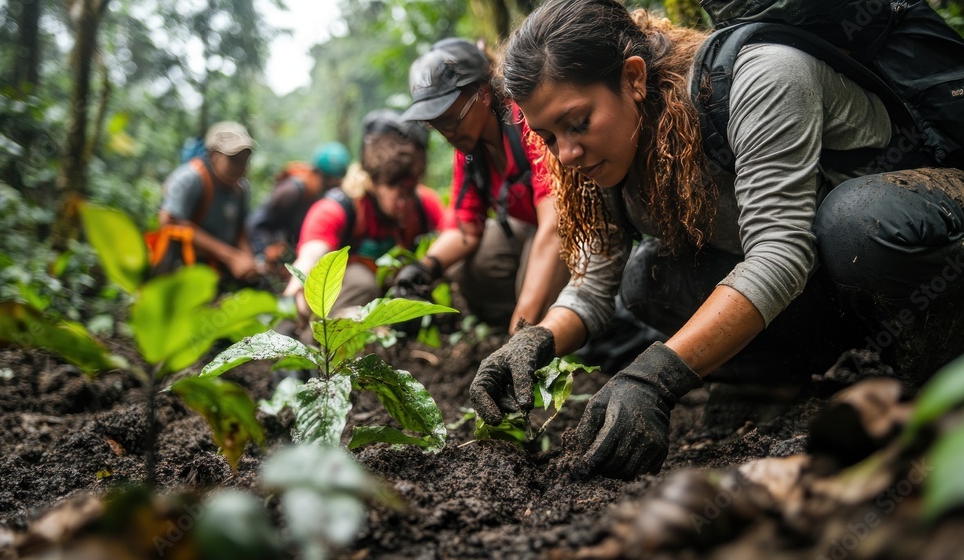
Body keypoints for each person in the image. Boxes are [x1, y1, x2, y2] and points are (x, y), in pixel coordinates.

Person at [470, 0, 964, 480]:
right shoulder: (595, 155)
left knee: (857, 223)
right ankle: (766, 387)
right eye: (549, 137)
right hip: (833, 288)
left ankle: (941, 384)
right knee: (648, 278)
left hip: (924, 232)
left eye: (578, 123)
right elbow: (595, 285)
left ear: (633, 78)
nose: (568, 151)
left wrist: (655, 378)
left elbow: (780, 253)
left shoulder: (763, 74)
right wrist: (535, 340)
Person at [397, 38, 570, 334]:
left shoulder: (525, 120)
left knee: (533, 277)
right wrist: (425, 268)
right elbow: (465, 227)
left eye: (451, 118)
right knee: (468, 269)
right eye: (435, 124)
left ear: (485, 93)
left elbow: (556, 225)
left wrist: (521, 330)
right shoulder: (469, 150)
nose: (446, 133)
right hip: (530, 227)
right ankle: (531, 323)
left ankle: (555, 329)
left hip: (571, 225)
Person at [282, 110, 445, 327]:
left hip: (397, 297)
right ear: (375, 183)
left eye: (410, 191)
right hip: (344, 306)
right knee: (361, 280)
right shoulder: (340, 208)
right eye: (398, 192)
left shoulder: (422, 203)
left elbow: (456, 234)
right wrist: (297, 292)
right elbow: (312, 254)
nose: (405, 203)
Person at [158, 121, 260, 285]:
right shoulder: (191, 178)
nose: (241, 167)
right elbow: (169, 221)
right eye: (234, 159)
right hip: (185, 264)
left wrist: (247, 259)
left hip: (218, 267)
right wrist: (230, 256)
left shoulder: (242, 187)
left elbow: (240, 228)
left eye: (245, 160)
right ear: (214, 156)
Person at [246, 142, 352, 274]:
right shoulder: (291, 191)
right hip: (261, 253)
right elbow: (255, 224)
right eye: (327, 183)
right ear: (314, 173)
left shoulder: (323, 201)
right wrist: (266, 248)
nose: (330, 190)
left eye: (335, 185)